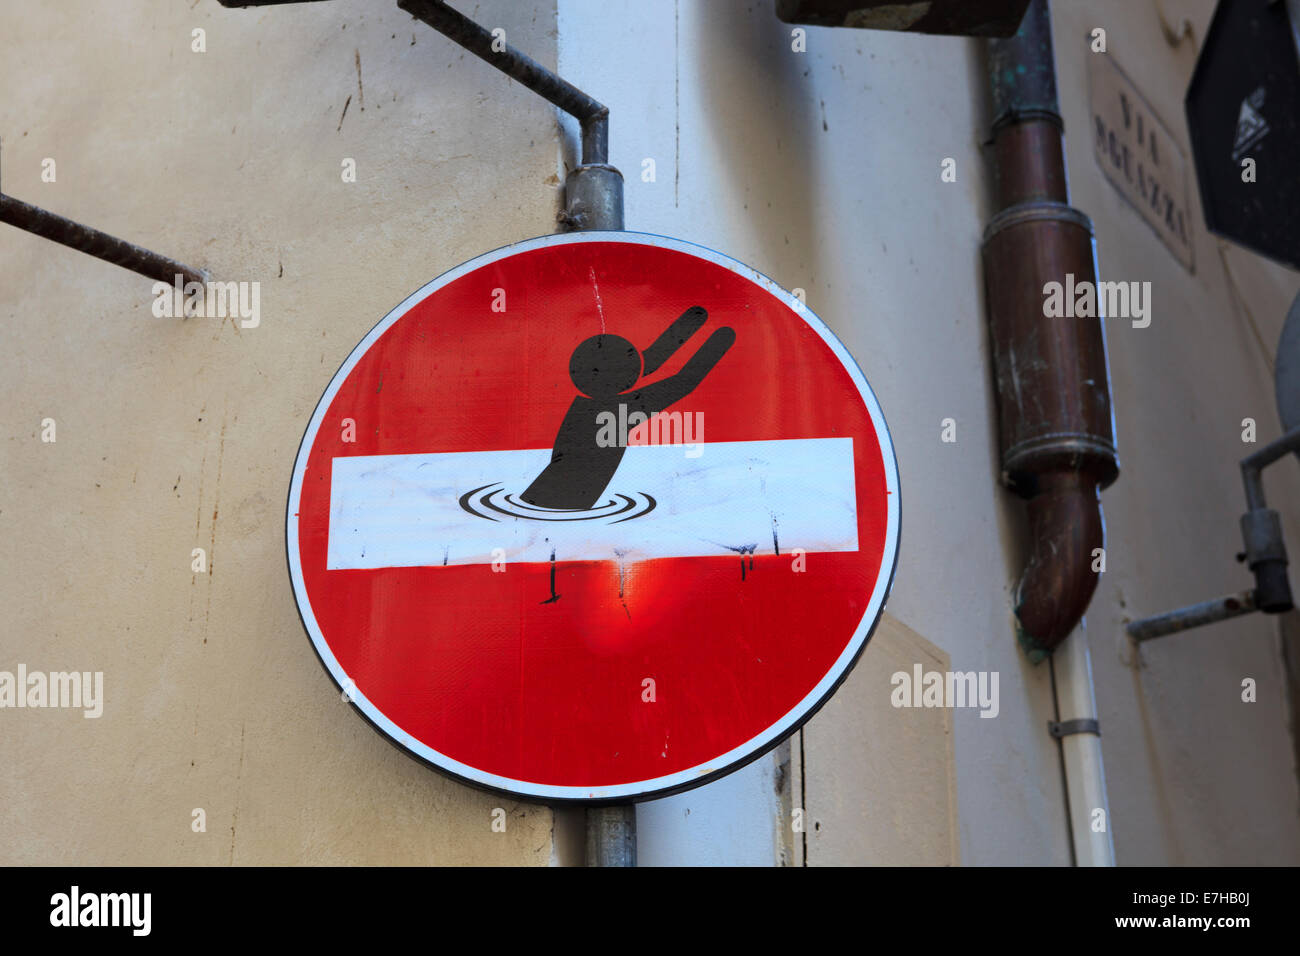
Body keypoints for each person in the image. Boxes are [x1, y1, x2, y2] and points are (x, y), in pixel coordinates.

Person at [521, 306, 735, 510]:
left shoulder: (585, 405)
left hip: (544, 499)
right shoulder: (618, 412)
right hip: (559, 506)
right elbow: (683, 382)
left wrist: (689, 324)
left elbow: (645, 364)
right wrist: (721, 340)